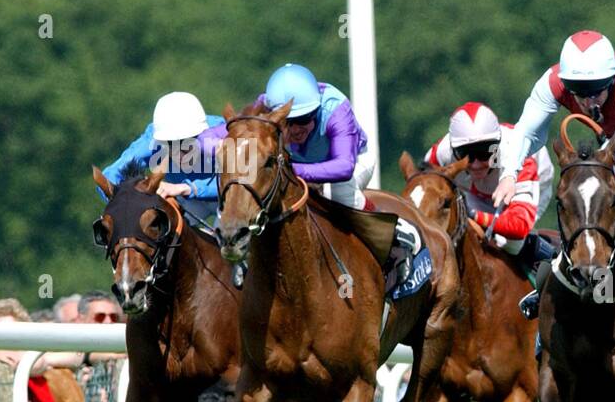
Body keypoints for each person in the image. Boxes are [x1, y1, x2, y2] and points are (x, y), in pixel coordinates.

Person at [497, 31, 615, 317]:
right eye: (580, 93)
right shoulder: (553, 83)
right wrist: (509, 175)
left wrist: (606, 155)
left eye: (597, 92)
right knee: (597, 204)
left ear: (611, 80)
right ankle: (560, 283)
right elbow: (525, 132)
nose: (589, 103)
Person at [207, 63, 420, 291]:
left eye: (306, 119)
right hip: (293, 167)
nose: (297, 129)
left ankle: (395, 236)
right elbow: (207, 137)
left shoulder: (336, 109)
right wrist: (223, 148)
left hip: (353, 161)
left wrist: (293, 172)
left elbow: (343, 167)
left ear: (316, 111)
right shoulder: (264, 110)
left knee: (337, 193)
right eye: (289, 122)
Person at [422, 102, 555, 285]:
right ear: (453, 150)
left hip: (530, 183)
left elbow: (518, 226)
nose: (475, 164)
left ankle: (543, 278)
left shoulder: (518, 157)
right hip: (474, 195)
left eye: (484, 153)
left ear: (497, 145)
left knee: (509, 242)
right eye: (465, 154)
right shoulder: (440, 155)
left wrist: (473, 215)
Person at [98, 92, 223, 225]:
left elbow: (244, 180)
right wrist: (131, 198)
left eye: (188, 141)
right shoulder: (151, 142)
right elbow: (110, 177)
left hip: (227, 198)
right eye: (170, 143)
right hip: (187, 201)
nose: (179, 152)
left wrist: (188, 188)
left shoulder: (223, 131)